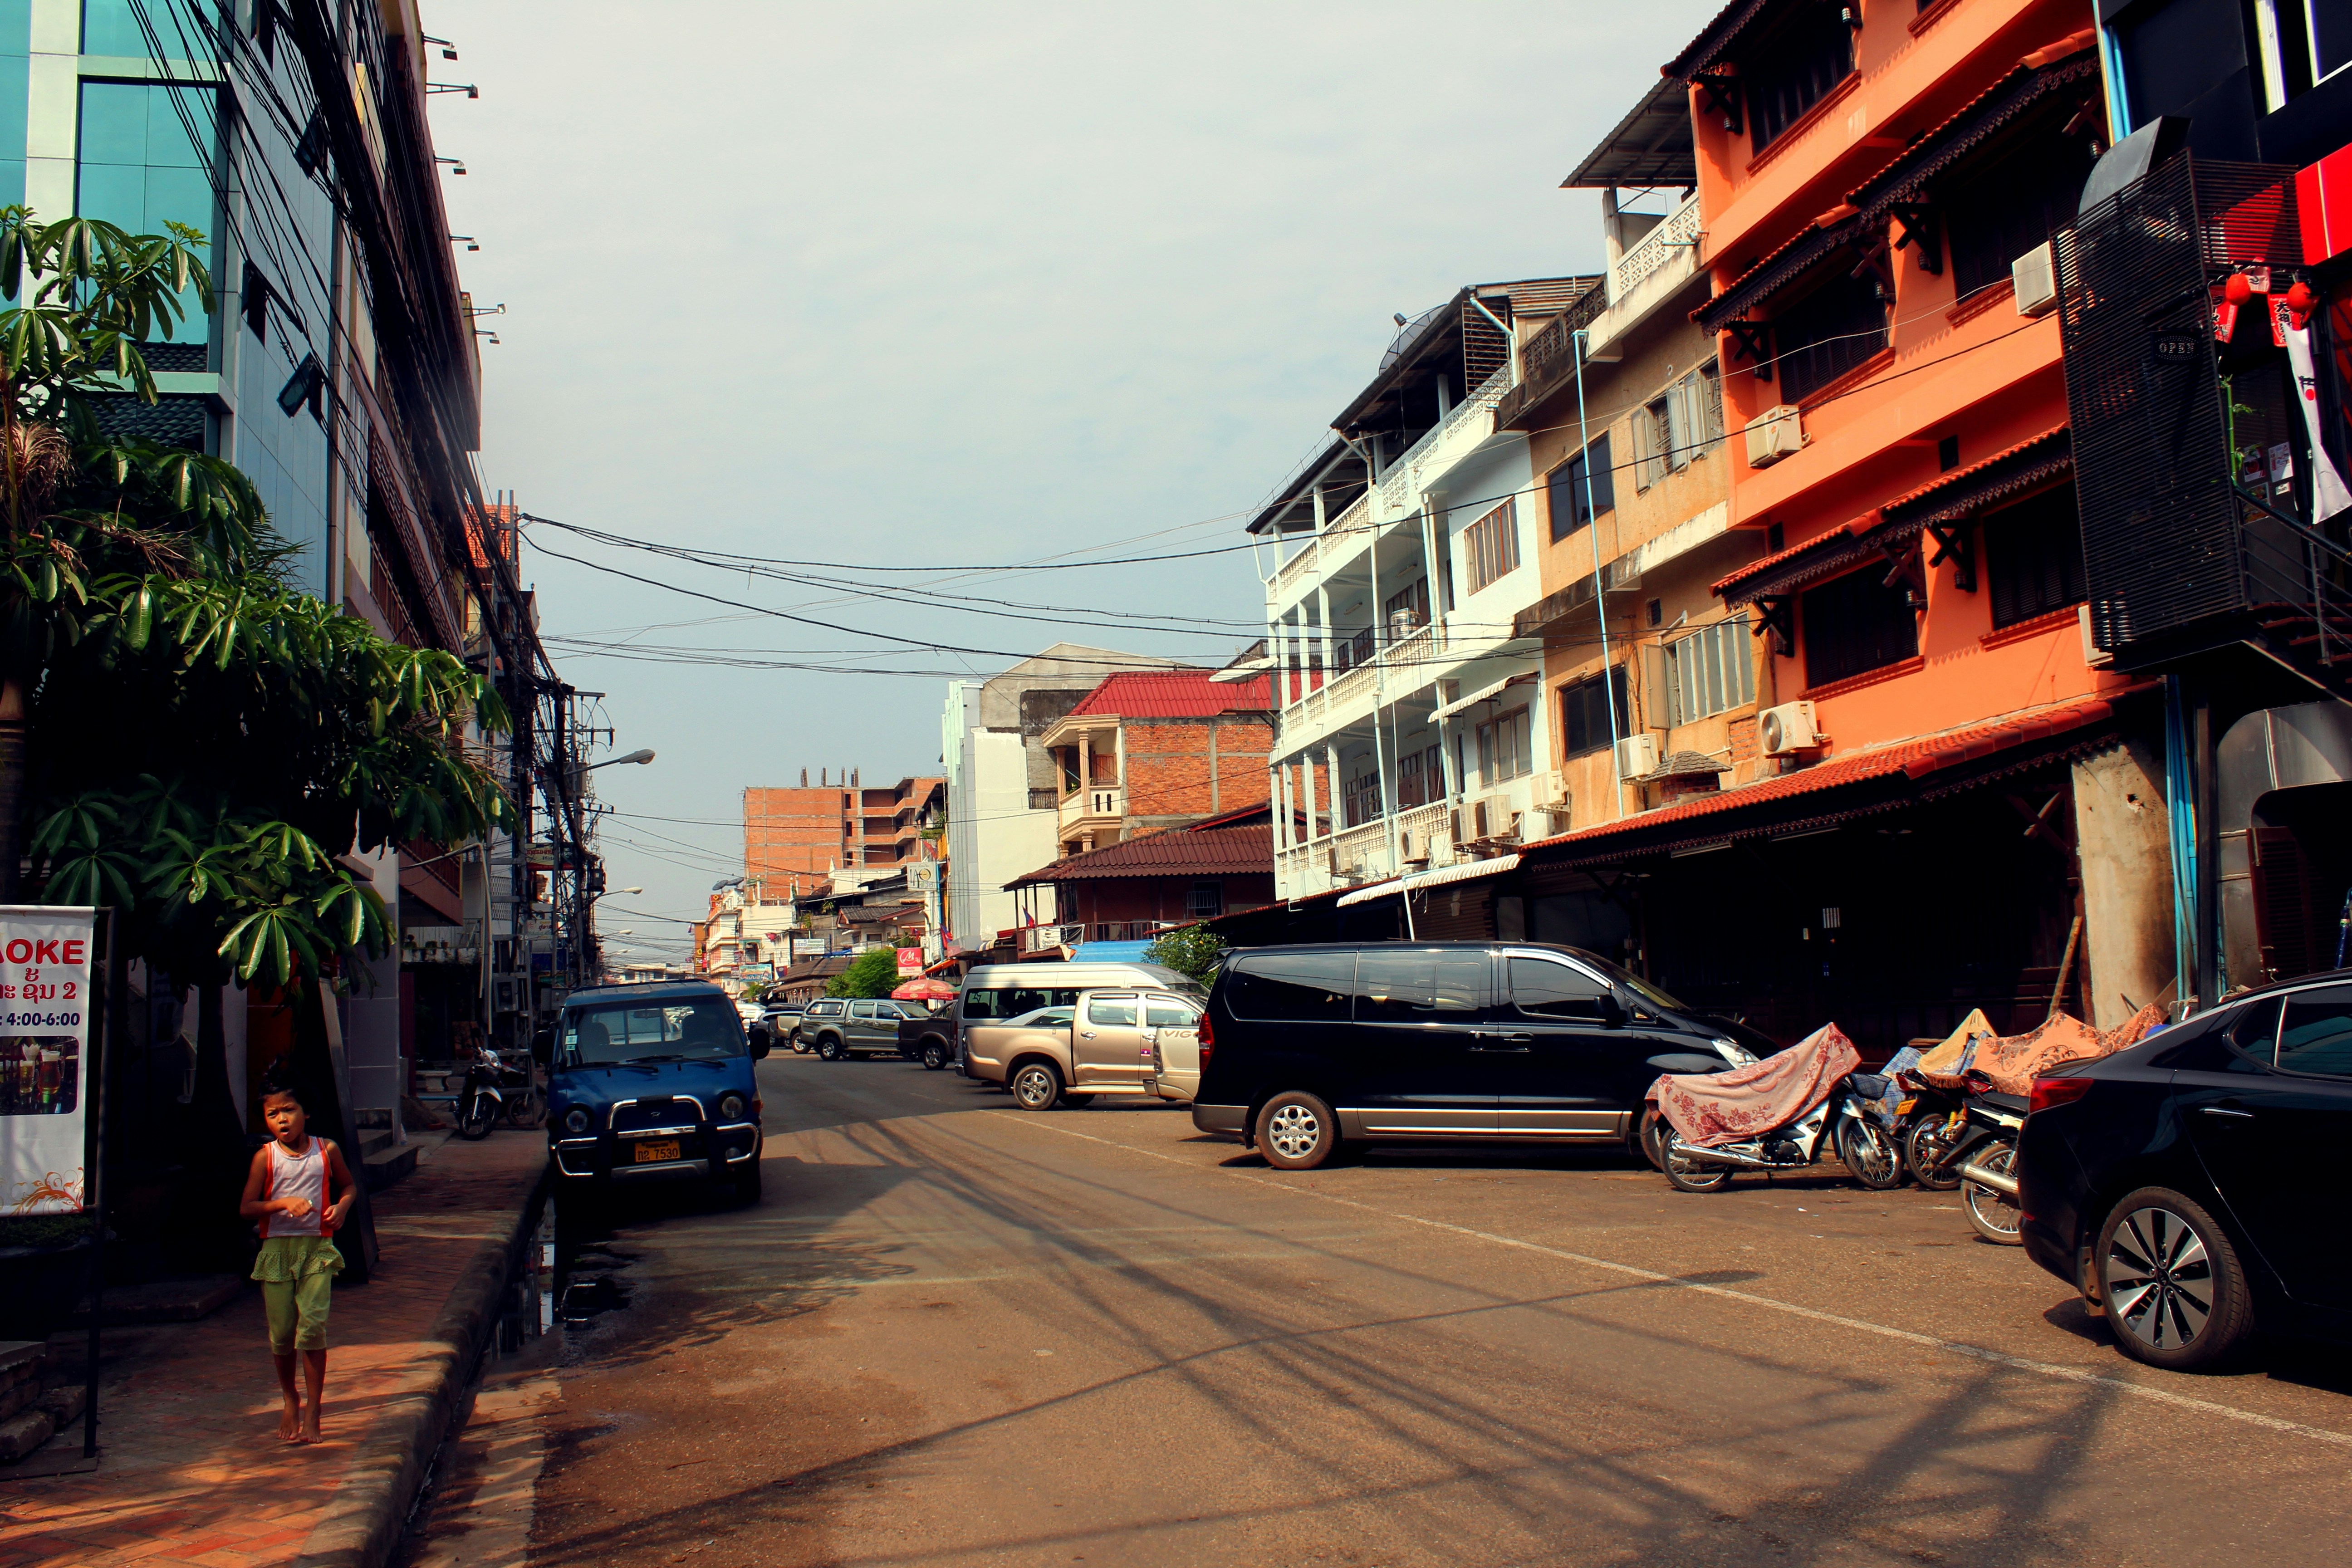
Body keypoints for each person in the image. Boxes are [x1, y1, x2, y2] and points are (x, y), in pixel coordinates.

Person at [237, 1064, 359, 1444]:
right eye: (272, 1114)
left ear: (306, 1112)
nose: (282, 1120)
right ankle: (290, 1398)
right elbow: (247, 1208)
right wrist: (281, 1204)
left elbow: (350, 1187)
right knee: (283, 1333)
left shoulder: (327, 1151)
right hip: (276, 1251)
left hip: (317, 1250)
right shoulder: (265, 1158)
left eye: (288, 1110)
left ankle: (315, 1410)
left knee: (313, 1327)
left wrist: (341, 1209)